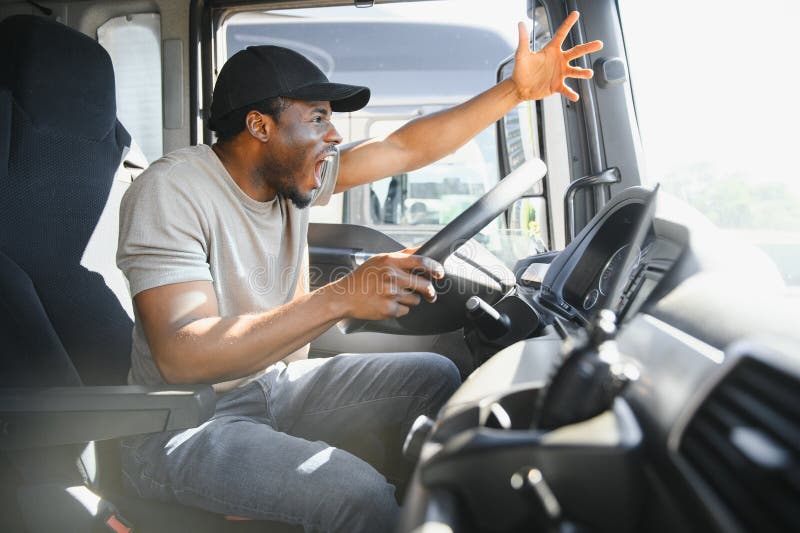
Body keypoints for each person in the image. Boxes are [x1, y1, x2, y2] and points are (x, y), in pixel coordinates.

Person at [117, 12, 602, 532]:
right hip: (183, 421)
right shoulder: (172, 191)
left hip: (270, 384)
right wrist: (341, 297)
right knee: (359, 496)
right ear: (260, 126)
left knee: (435, 377)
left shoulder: (289, 175)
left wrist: (514, 92)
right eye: (318, 118)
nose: (333, 136)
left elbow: (404, 148)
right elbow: (183, 355)